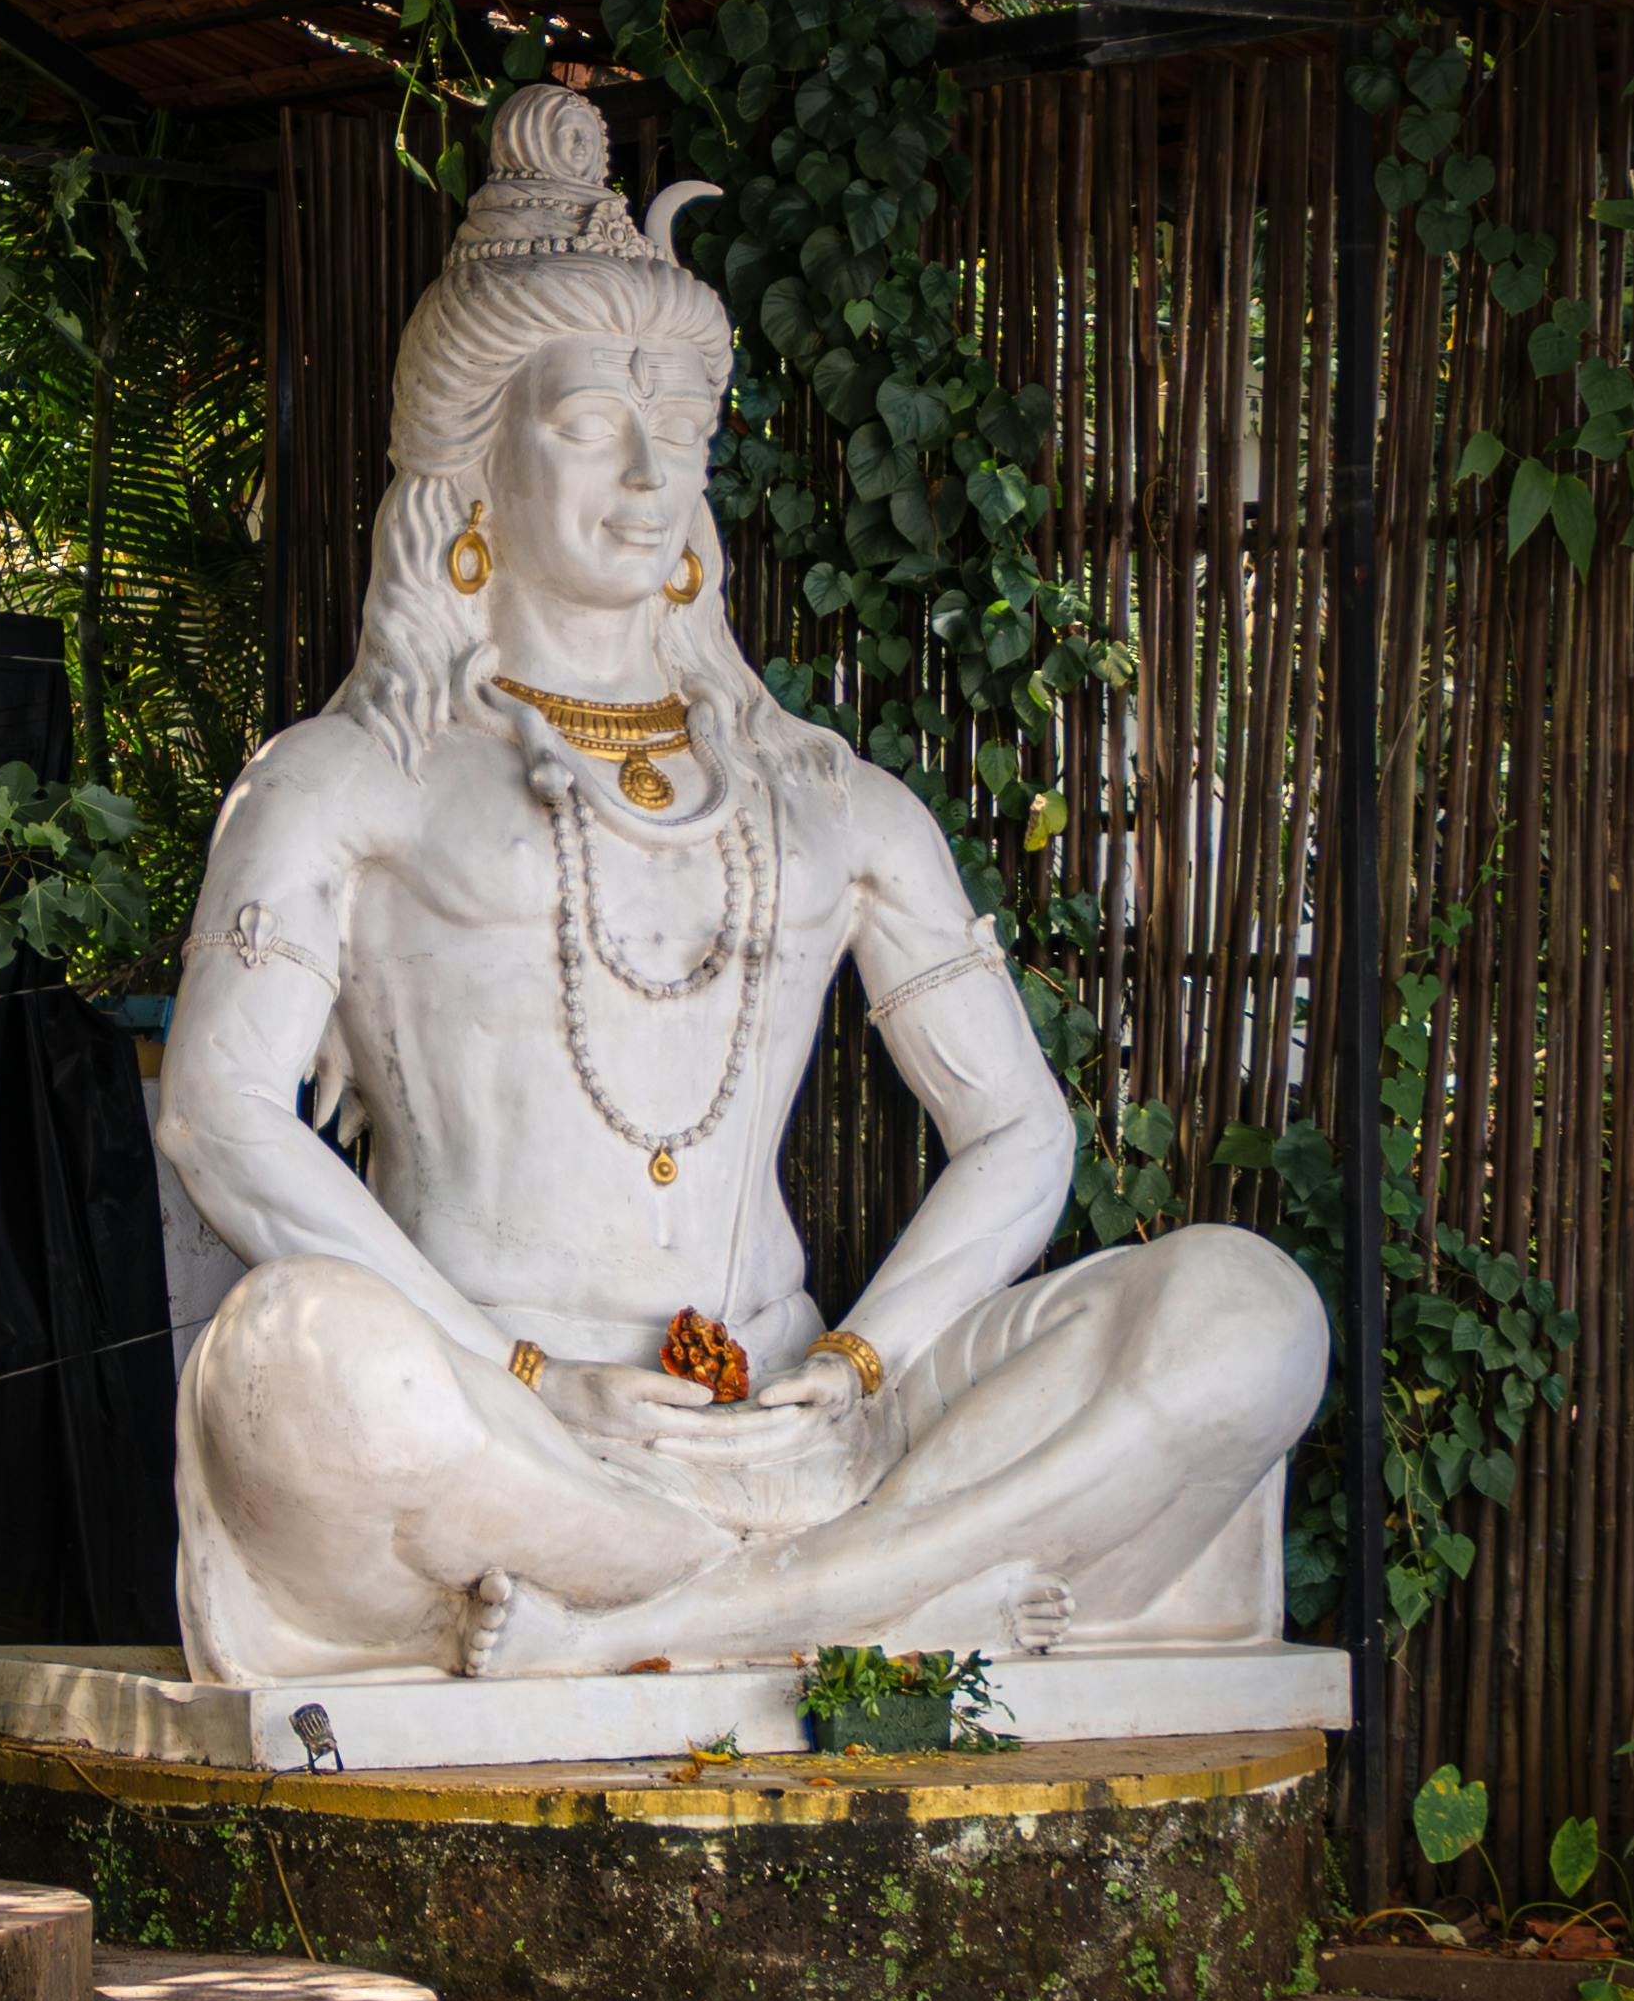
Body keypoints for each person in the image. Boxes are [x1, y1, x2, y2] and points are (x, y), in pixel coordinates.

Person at [157, 82, 1327, 1684]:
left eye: (679, 435)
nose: (648, 476)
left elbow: (1018, 1130)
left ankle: (702, 1622)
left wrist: (858, 1365)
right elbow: (213, 1114)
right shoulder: (346, 778)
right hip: (511, 1429)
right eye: (587, 427)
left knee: (1248, 1308)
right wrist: (519, 1375)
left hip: (809, 1422)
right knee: (294, 1364)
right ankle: (889, 1607)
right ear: (467, 467)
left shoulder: (824, 795)